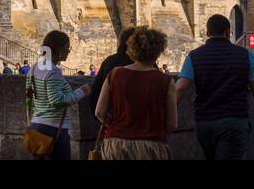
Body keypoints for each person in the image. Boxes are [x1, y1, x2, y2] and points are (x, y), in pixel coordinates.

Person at [176, 14, 254, 160]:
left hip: (205, 122)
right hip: (234, 121)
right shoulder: (245, 56)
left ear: (207, 33)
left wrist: (166, 113)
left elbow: (180, 88)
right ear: (228, 32)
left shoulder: (194, 56)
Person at [95, 26, 176, 160]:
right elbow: (172, 124)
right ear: (158, 51)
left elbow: (99, 112)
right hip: (151, 145)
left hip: (116, 144)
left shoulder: (115, 74)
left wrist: (118, 126)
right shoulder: (166, 81)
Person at [25, 31, 91, 161]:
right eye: (68, 47)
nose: (69, 51)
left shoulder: (34, 68)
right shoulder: (53, 71)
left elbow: (28, 98)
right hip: (53, 129)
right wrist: (81, 91)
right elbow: (57, 101)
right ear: (59, 49)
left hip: (36, 125)